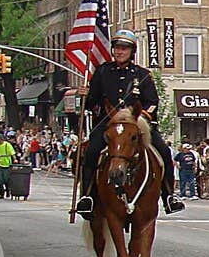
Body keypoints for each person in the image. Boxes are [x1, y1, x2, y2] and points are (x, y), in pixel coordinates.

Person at [75, 30, 185, 218]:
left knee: (164, 152)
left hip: (137, 125)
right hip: (109, 125)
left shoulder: (143, 75)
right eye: (117, 48)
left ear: (132, 51)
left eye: (124, 48)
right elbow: (92, 103)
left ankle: (169, 196)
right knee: (91, 152)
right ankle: (88, 197)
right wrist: (85, 95)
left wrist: (139, 118)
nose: (119, 52)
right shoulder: (102, 72)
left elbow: (152, 102)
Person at [0, 133, 16, 198]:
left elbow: (12, 153)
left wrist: (15, 159)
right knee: (0, 180)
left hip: (7, 164)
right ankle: (1, 193)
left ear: (1, 139)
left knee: (6, 179)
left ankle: (7, 189)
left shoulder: (7, 145)